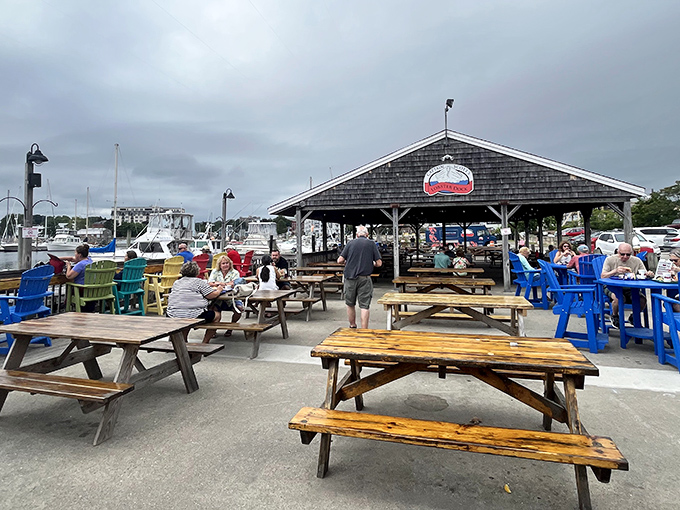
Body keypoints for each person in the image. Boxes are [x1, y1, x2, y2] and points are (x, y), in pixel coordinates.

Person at [167, 261, 225, 343]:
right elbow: (212, 295)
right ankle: (205, 343)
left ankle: (183, 342)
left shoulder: (177, 282)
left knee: (185, 321)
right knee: (217, 315)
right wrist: (219, 289)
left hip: (172, 314)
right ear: (196, 271)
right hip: (193, 315)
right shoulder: (199, 282)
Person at [337, 225, 382, 329]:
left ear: (357, 235)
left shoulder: (350, 243)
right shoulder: (371, 244)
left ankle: (352, 325)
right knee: (364, 305)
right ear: (367, 235)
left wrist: (347, 261)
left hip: (350, 277)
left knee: (350, 303)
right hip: (365, 278)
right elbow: (379, 263)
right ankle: (364, 329)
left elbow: (339, 260)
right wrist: (372, 263)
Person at [601, 242, 653, 328]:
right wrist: (615, 271)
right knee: (619, 298)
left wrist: (649, 274)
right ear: (618, 252)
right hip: (612, 286)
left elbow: (643, 273)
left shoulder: (636, 261)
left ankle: (633, 317)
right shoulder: (610, 260)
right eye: (622, 254)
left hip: (631, 287)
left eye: (628, 254)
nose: (625, 257)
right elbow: (603, 276)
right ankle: (615, 316)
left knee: (642, 300)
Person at [208, 255, 245, 336]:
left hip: (232, 298)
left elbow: (234, 283)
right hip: (218, 298)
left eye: (227, 263)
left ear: (230, 263)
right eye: (223, 263)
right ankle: (213, 330)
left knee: (239, 310)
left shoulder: (235, 272)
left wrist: (219, 284)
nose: (225, 265)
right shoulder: (215, 271)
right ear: (220, 265)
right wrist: (222, 283)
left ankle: (230, 328)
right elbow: (210, 283)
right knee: (213, 310)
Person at [64, 244, 95, 311]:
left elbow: (69, 276)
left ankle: (67, 307)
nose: (74, 254)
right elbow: (73, 259)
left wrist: (68, 266)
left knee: (69, 288)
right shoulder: (89, 261)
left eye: (75, 253)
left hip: (81, 290)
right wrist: (59, 259)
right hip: (91, 290)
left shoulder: (80, 265)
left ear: (79, 255)